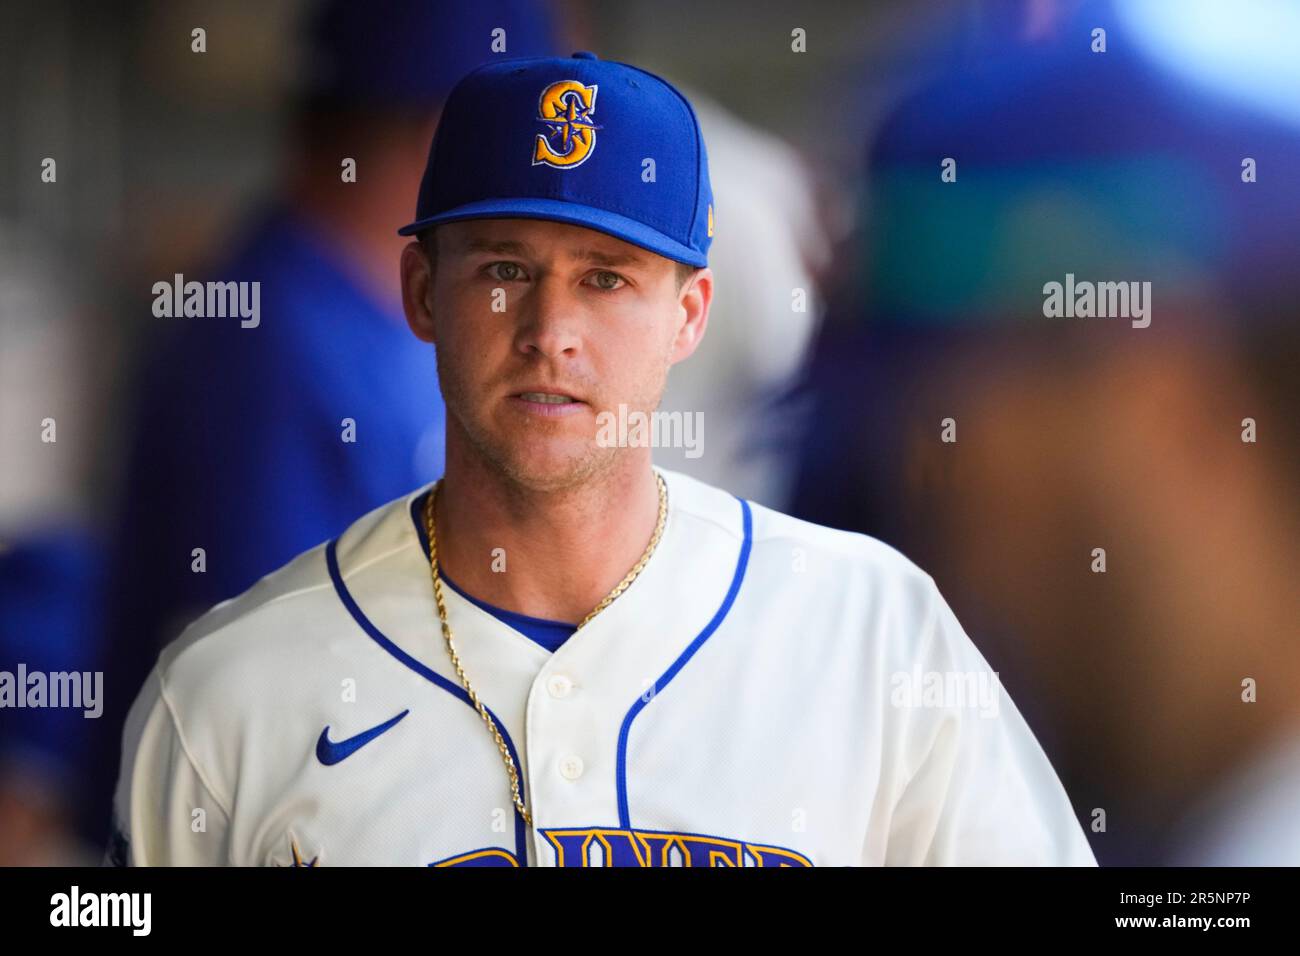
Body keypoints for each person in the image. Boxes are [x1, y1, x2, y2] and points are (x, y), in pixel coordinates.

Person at [108, 52, 1096, 867]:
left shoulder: (875, 632)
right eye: (504, 269)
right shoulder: (227, 699)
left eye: (607, 278)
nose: (551, 330)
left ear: (688, 314)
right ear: (421, 291)